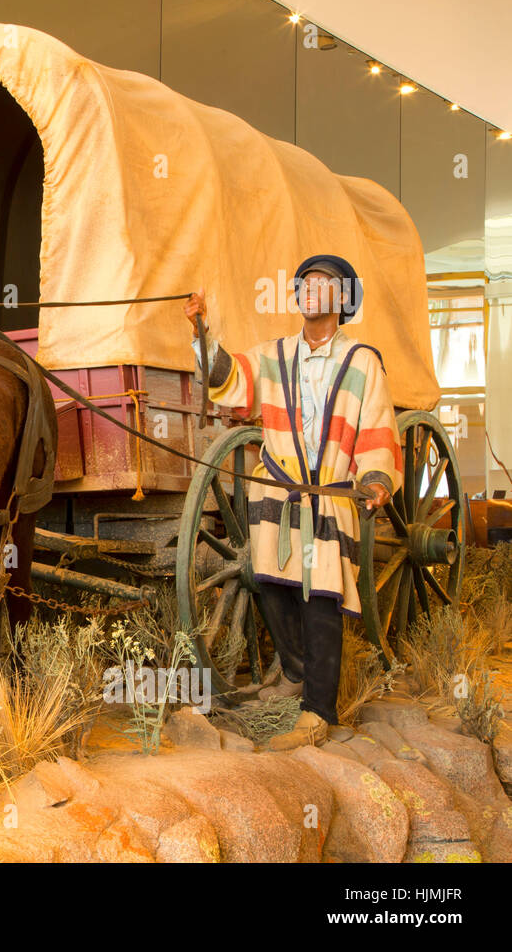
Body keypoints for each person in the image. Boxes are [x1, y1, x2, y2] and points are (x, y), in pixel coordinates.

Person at [184, 255, 402, 750]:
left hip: (329, 493)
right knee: (271, 584)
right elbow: (230, 381)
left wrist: (373, 479)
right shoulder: (274, 355)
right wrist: (202, 330)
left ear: (343, 299)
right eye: (304, 282)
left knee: (321, 595)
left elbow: (377, 427)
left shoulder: (362, 361)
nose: (309, 288)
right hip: (277, 490)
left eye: (323, 283)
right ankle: (298, 671)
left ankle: (318, 711)